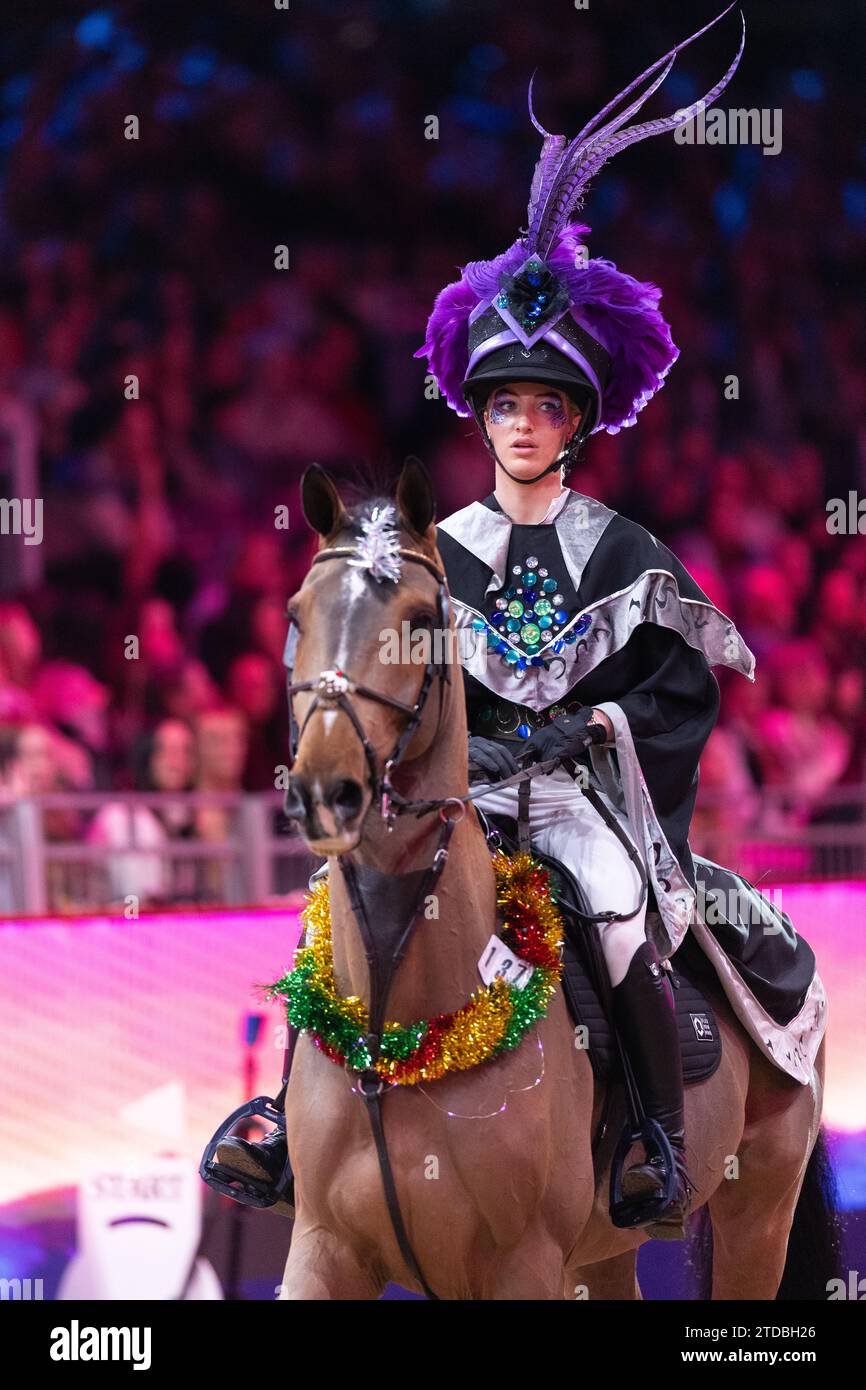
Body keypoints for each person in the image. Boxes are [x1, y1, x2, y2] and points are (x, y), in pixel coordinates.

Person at [207, 6, 827, 1241]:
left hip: (582, 806)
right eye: (505, 405)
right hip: (457, 800)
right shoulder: (443, 554)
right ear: (480, 416)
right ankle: (284, 1119)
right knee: (341, 892)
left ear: (574, 422)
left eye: (544, 405)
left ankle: (650, 1134)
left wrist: (593, 731)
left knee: (604, 904)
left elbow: (678, 698)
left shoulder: (625, 550)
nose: (522, 424)